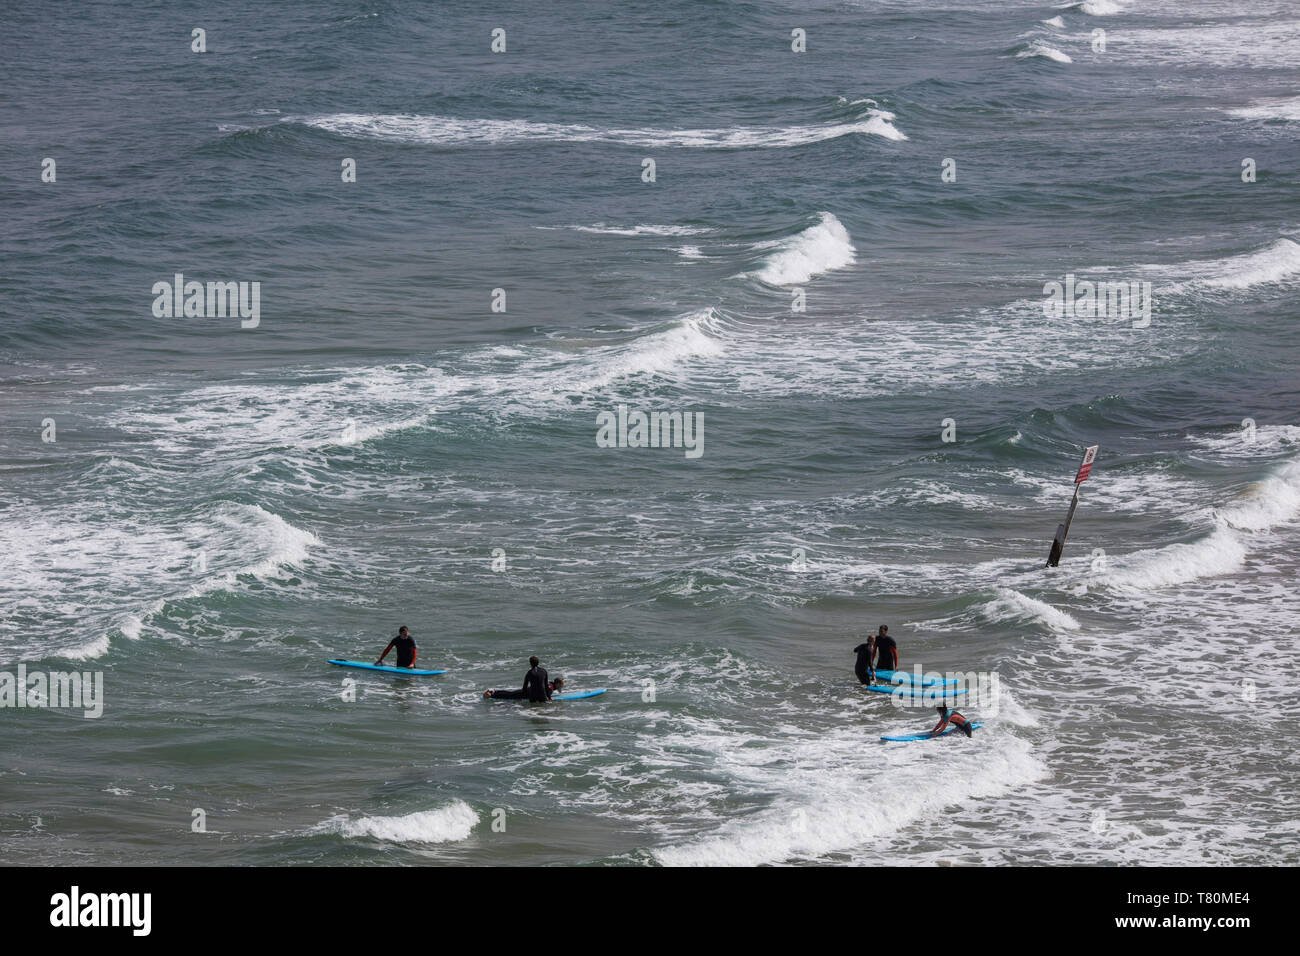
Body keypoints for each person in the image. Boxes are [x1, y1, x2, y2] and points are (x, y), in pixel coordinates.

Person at [482, 658, 559, 701]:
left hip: (530, 692)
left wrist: (522, 695)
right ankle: (491, 694)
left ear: (530, 663)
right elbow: (545, 686)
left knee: (511, 694)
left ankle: (493, 692)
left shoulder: (530, 672)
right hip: (532, 694)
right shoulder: (544, 671)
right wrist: (549, 697)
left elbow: (525, 685)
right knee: (511, 695)